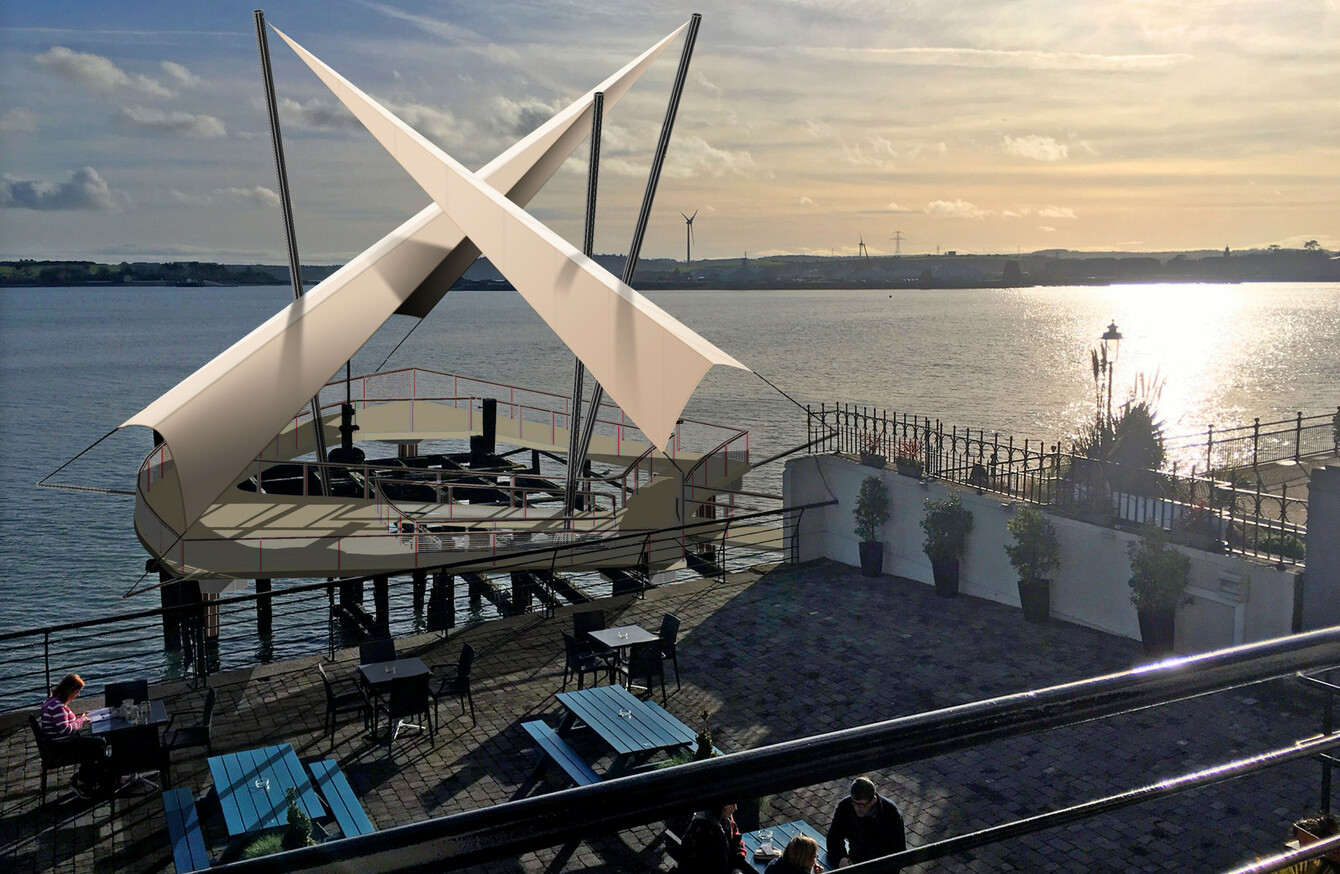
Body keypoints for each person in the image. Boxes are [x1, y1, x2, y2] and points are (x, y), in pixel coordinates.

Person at [40, 673, 112, 798]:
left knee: (96, 744)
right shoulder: (58, 707)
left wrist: (80, 718)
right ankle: (87, 780)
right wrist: (81, 720)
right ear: (70, 690)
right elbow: (65, 730)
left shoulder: (51, 701)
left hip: (57, 741)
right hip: (61, 744)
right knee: (99, 744)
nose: (77, 695)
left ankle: (93, 778)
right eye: (77, 692)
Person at [826, 776, 906, 868]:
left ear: (873, 800)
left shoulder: (891, 813)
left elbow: (898, 852)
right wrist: (841, 858)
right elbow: (834, 838)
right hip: (855, 862)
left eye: (862, 805)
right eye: (855, 803)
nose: (857, 808)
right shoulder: (845, 806)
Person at [680, 801, 751, 874]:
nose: (736, 808)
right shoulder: (703, 830)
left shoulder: (727, 819)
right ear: (723, 805)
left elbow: (736, 842)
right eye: (732, 803)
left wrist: (736, 868)